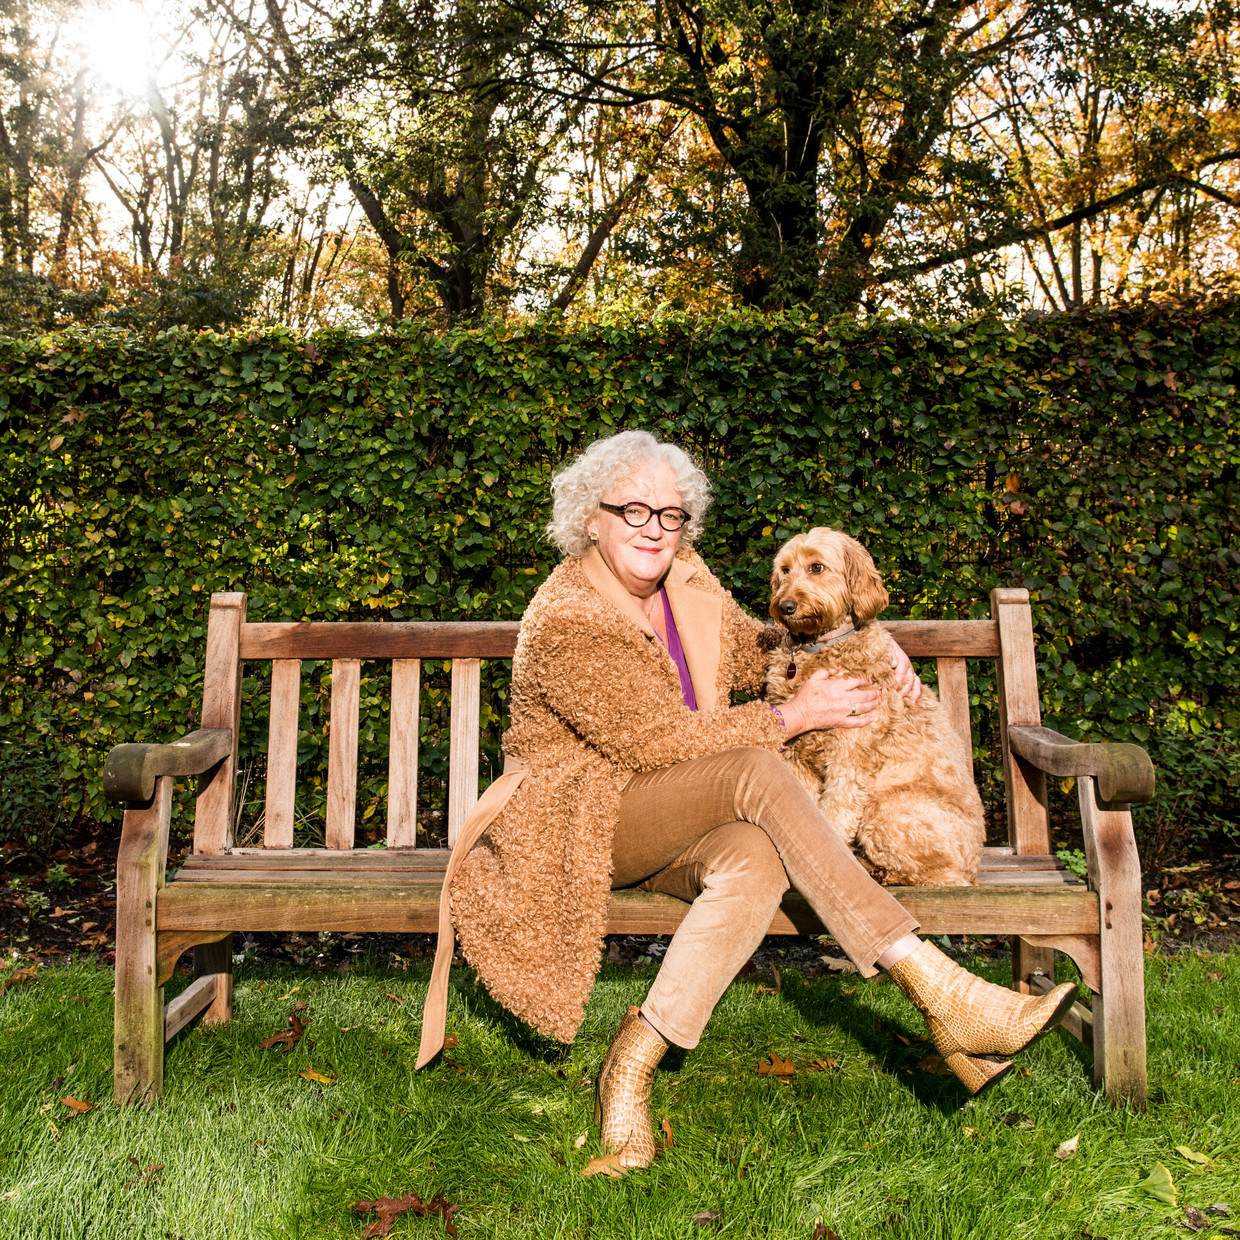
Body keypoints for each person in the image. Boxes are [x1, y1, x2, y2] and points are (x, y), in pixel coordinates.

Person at [417, 429, 1076, 1169]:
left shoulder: (684, 580)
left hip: (671, 810)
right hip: (581, 816)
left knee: (758, 857)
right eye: (631, 511)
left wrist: (863, 642)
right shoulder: (568, 614)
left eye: (669, 515)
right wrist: (794, 716)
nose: (653, 529)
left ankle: (632, 1065)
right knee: (760, 771)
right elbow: (652, 742)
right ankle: (940, 989)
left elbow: (761, 646)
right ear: (589, 520)